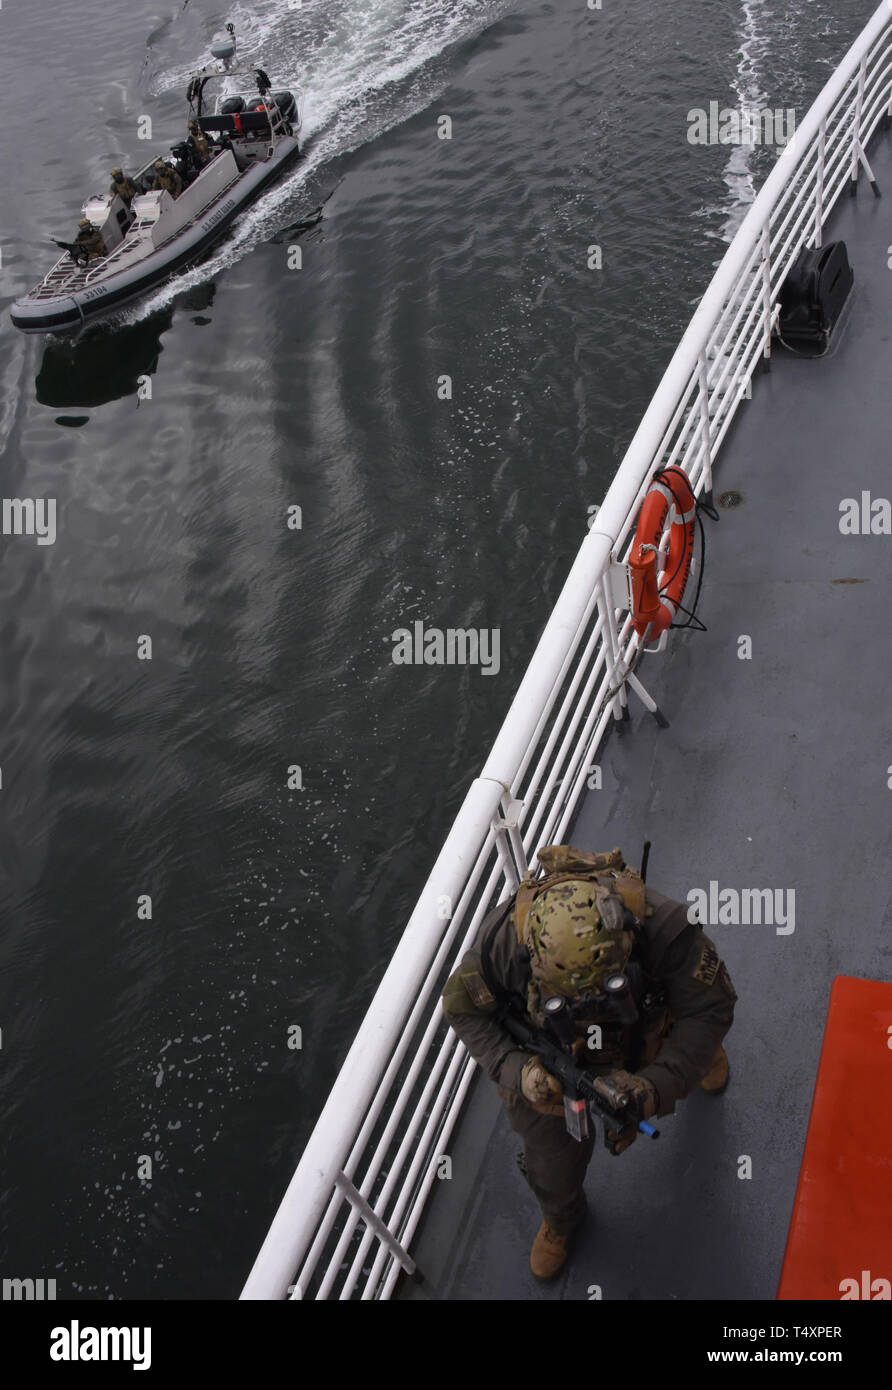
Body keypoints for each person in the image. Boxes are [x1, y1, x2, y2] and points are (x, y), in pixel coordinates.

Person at [441, 844, 737, 1280]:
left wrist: (655, 1086)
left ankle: (703, 1060)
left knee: (694, 1041)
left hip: (648, 1025)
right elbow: (462, 1009)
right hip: (555, 1058)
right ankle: (562, 1218)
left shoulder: (665, 927)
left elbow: (709, 1008)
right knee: (549, 1158)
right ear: (532, 962)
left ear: (628, 938)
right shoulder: (500, 946)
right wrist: (519, 1071)